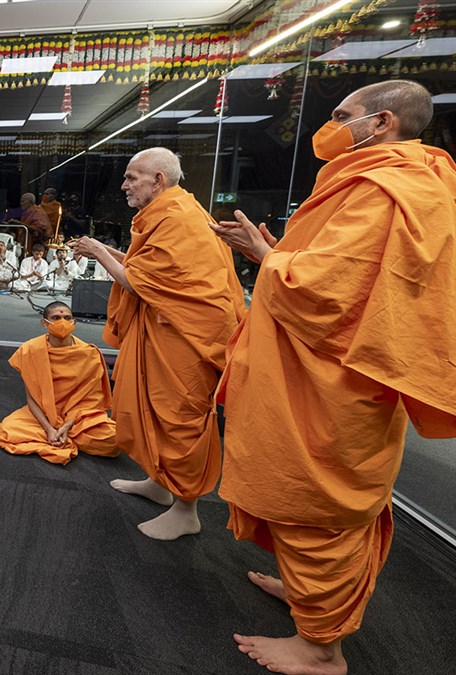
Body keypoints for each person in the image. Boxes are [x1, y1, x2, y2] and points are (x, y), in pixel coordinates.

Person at [211, 80, 456, 675]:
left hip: (335, 380)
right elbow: (341, 269)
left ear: (383, 123)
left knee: (313, 505)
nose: (332, 124)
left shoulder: (388, 186)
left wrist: (267, 258)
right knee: (300, 497)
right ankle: (305, 596)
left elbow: (329, 292)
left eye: (344, 115)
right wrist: (278, 253)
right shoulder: (393, 178)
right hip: (322, 366)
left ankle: (322, 650)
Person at [71, 147, 244, 541]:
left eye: (132, 178)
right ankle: (161, 483)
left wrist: (98, 252)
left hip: (187, 338)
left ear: (158, 180)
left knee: (179, 418)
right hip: (164, 329)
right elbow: (148, 270)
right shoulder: (169, 212)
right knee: (154, 410)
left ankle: (186, 510)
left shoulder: (179, 218)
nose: (124, 185)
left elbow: (138, 282)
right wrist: (107, 252)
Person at [0, 301, 118, 464]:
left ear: (74, 322)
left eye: (67, 318)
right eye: (56, 318)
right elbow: (32, 399)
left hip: (78, 417)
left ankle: (63, 434)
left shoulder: (89, 353)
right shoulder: (31, 349)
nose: (62, 322)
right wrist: (49, 429)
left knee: (113, 440)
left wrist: (66, 425)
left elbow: (90, 401)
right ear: (44, 323)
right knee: (8, 430)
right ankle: (58, 436)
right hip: (44, 414)